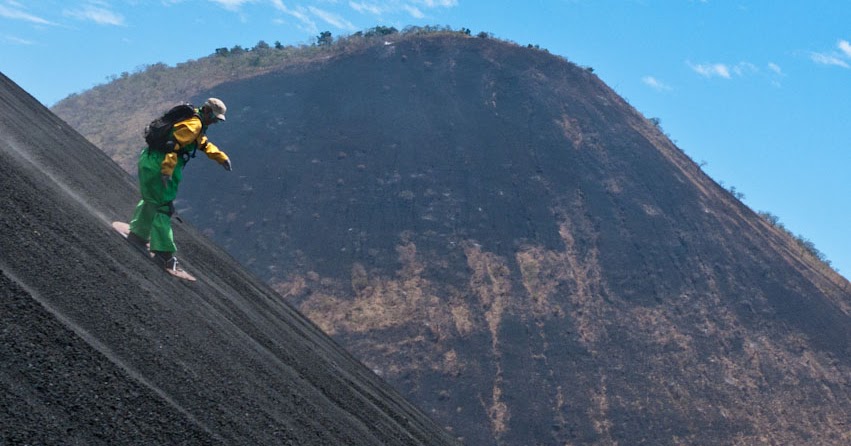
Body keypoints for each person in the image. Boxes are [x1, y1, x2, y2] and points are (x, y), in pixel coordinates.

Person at [127, 98, 232, 272]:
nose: (214, 122)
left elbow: (201, 143)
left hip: (152, 159)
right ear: (206, 111)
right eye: (214, 118)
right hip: (161, 164)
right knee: (163, 207)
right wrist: (166, 171)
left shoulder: (194, 121)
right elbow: (172, 147)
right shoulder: (194, 125)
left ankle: (138, 234)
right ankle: (163, 254)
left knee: (152, 200)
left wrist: (220, 157)